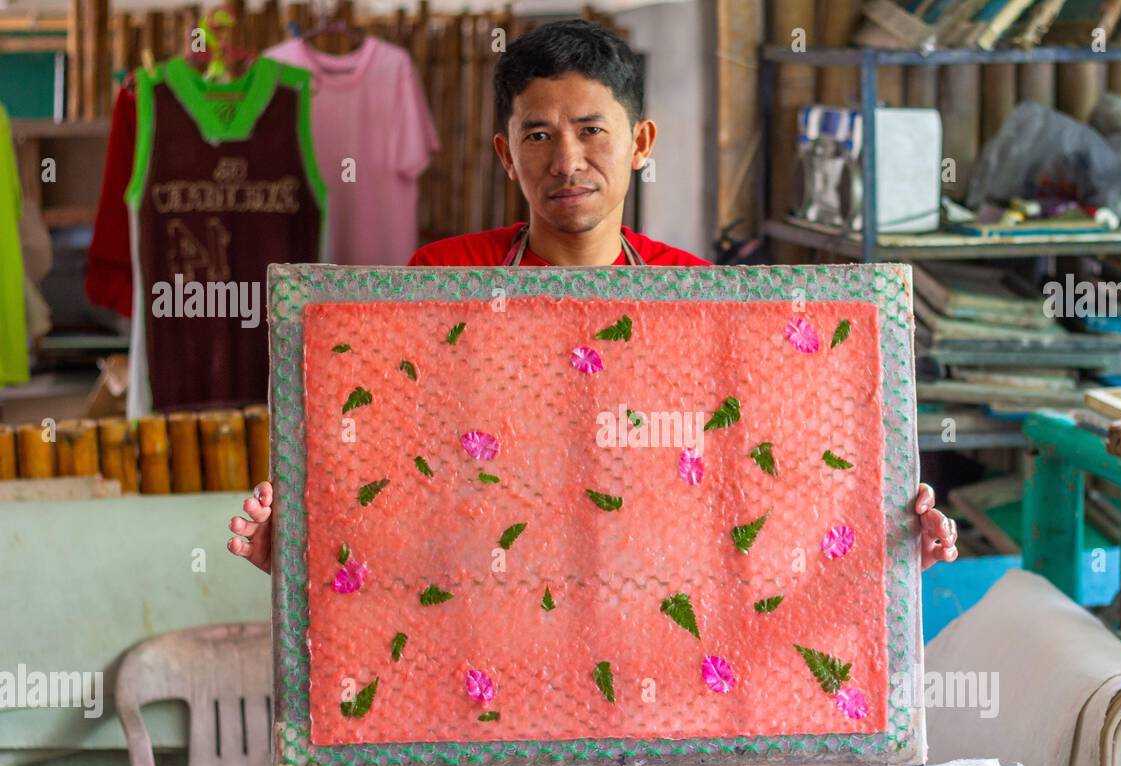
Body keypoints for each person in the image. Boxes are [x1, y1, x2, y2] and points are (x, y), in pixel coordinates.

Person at [228, 19, 958, 572]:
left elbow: (755, 479)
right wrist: (300, 551)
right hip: (485, 599)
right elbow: (388, 467)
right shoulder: (441, 283)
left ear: (640, 142)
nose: (566, 160)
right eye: (538, 135)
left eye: (590, 131)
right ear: (505, 155)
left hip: (653, 601)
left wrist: (881, 556)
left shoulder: (700, 300)